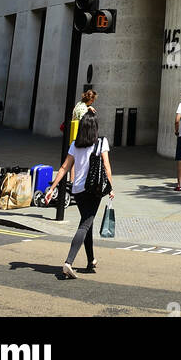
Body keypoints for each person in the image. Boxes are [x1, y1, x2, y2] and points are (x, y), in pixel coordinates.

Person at [44, 111, 114, 279]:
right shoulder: (101, 142)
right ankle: (68, 262)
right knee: (85, 225)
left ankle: (91, 261)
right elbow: (106, 166)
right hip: (94, 190)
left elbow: (63, 168)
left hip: (78, 191)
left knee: (86, 223)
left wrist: (52, 188)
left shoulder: (75, 144)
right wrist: (111, 187)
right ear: (95, 127)